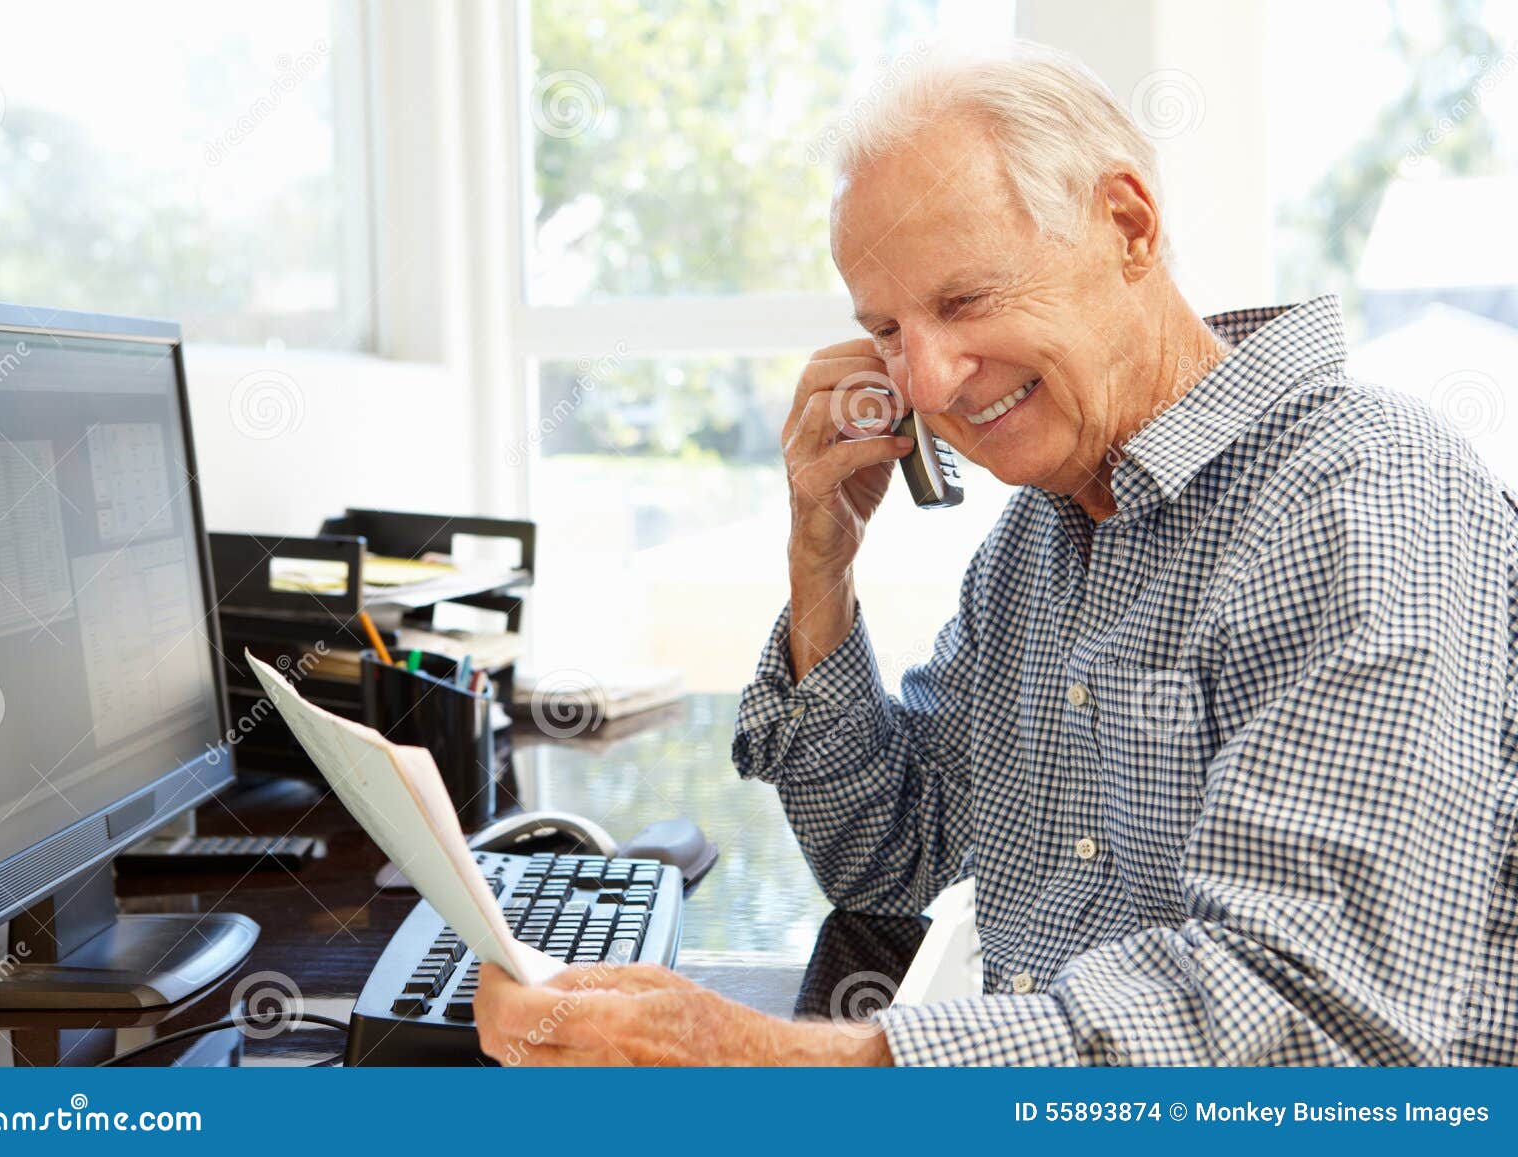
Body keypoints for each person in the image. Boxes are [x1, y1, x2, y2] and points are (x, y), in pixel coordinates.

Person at [474, 41, 1518, 1066]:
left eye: (963, 301)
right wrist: (820, 564)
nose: (923, 384)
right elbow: (886, 857)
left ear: (1125, 225)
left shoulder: (1362, 499)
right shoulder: (1042, 534)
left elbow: (1315, 1020)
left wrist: (787, 1064)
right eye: (885, 326)